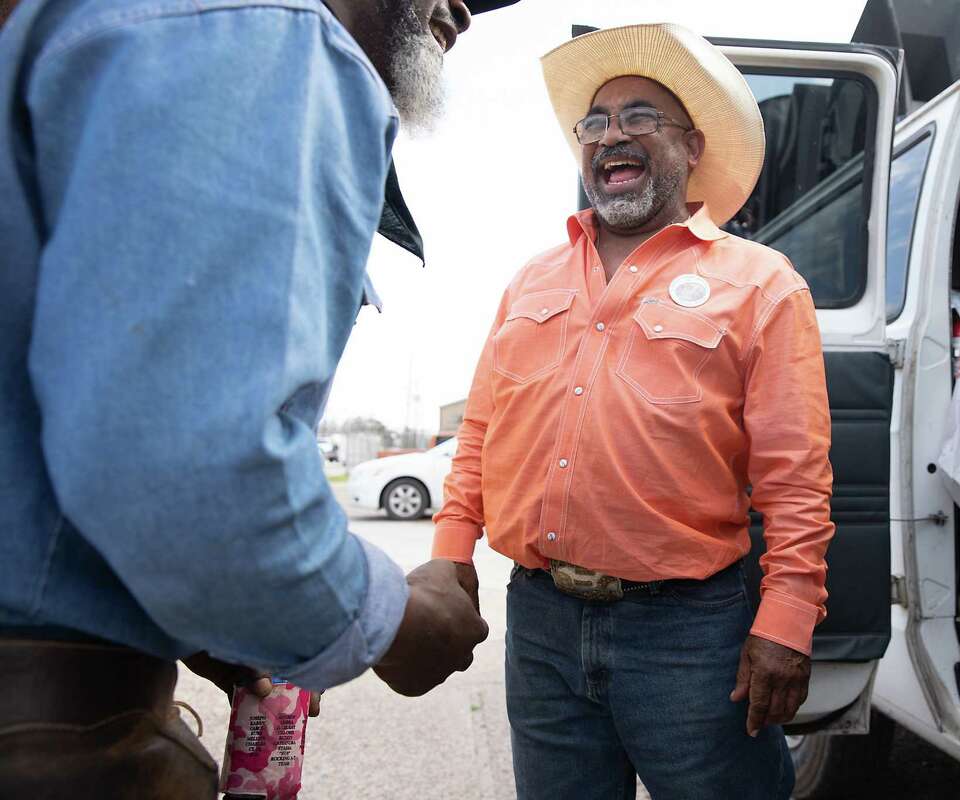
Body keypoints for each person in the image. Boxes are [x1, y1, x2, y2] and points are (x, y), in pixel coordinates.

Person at [0, 0, 515, 796]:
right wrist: (394, 624)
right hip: (52, 740)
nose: (462, 12)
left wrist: (215, 616)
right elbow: (195, 470)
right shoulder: (267, 28)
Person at [433, 23, 835, 800]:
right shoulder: (531, 280)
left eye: (640, 117)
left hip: (690, 635)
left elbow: (795, 476)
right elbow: (482, 426)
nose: (611, 134)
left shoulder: (761, 283)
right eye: (596, 123)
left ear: (691, 147)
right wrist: (453, 547)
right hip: (541, 620)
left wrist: (787, 618)